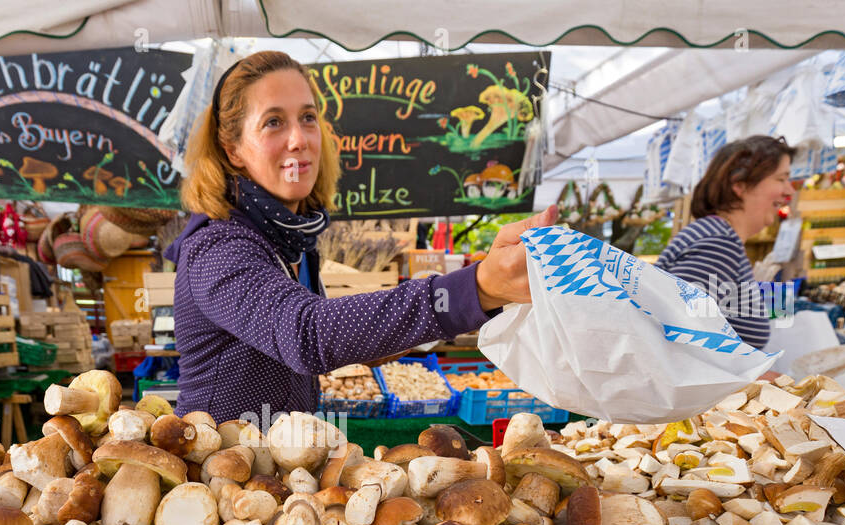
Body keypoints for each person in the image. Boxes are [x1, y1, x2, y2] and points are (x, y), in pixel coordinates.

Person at [163, 50, 556, 423]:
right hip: (218, 473)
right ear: (232, 150)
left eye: (308, 117)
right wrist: (476, 287)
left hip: (279, 464)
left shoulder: (291, 239)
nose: (299, 139)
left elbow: (311, 343)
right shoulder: (217, 248)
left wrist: (401, 338)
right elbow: (306, 334)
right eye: (273, 122)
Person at [655, 135, 796, 350]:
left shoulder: (717, 237)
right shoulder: (718, 243)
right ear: (740, 186)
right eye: (781, 179)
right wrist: (755, 376)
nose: (790, 191)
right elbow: (677, 340)